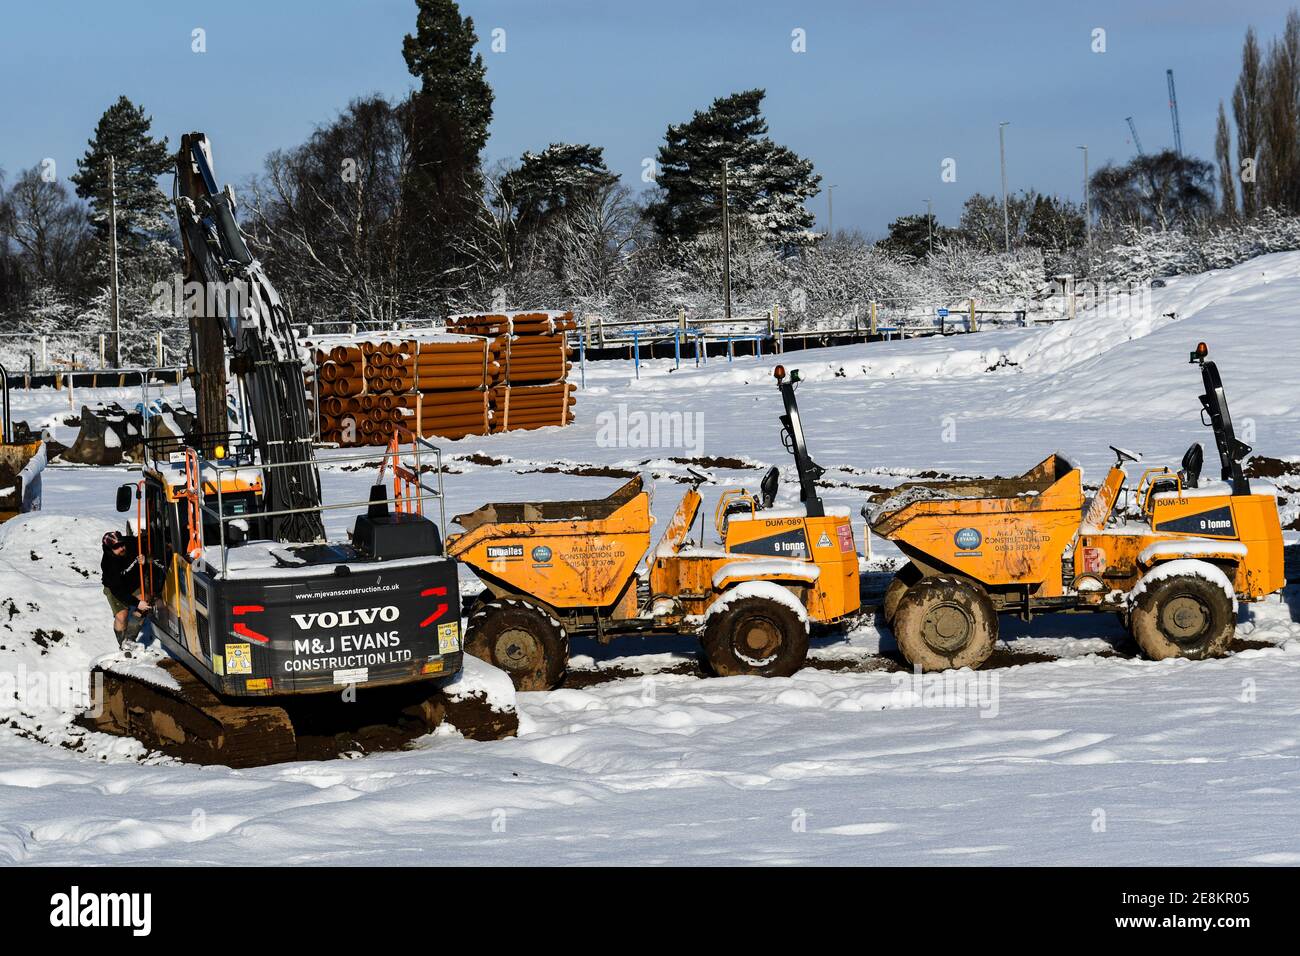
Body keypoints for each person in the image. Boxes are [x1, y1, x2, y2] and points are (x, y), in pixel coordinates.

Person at [101, 530, 150, 647]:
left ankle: (131, 638)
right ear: (109, 549)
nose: (121, 548)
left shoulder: (132, 543)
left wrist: (145, 559)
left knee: (145, 602)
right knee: (121, 616)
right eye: (117, 547)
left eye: (122, 544)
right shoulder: (108, 564)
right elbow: (118, 590)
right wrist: (136, 603)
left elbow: (147, 547)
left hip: (134, 584)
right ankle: (123, 643)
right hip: (116, 589)